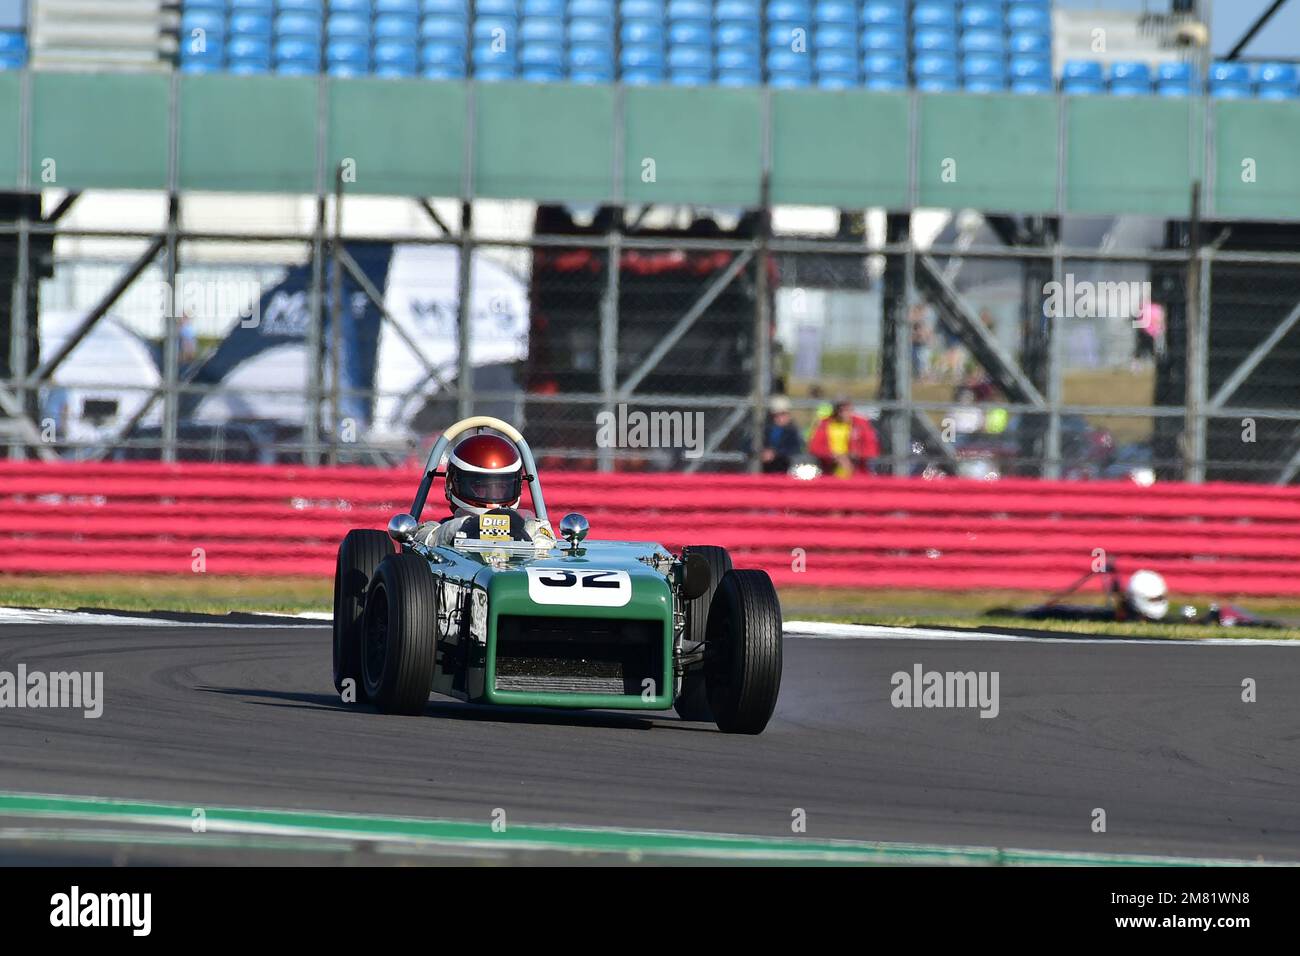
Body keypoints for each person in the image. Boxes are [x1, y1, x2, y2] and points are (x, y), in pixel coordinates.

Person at [419, 433, 553, 548]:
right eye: (480, 487)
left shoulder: (530, 529)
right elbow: (423, 537)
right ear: (451, 484)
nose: (492, 494)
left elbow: (546, 545)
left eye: (501, 487)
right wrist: (468, 527)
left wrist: (520, 535)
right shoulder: (437, 531)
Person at [808, 399, 880, 477]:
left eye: (848, 410)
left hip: (855, 467)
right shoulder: (825, 424)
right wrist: (833, 456)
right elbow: (815, 446)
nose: (845, 413)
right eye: (842, 410)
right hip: (829, 468)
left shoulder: (860, 423)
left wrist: (855, 455)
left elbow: (870, 445)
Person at [760, 396, 803, 474]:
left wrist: (775, 454)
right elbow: (751, 445)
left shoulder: (792, 431)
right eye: (776, 415)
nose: (779, 418)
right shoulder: (766, 430)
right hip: (766, 469)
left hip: (785, 468)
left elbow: (796, 449)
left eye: (783, 414)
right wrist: (762, 452)